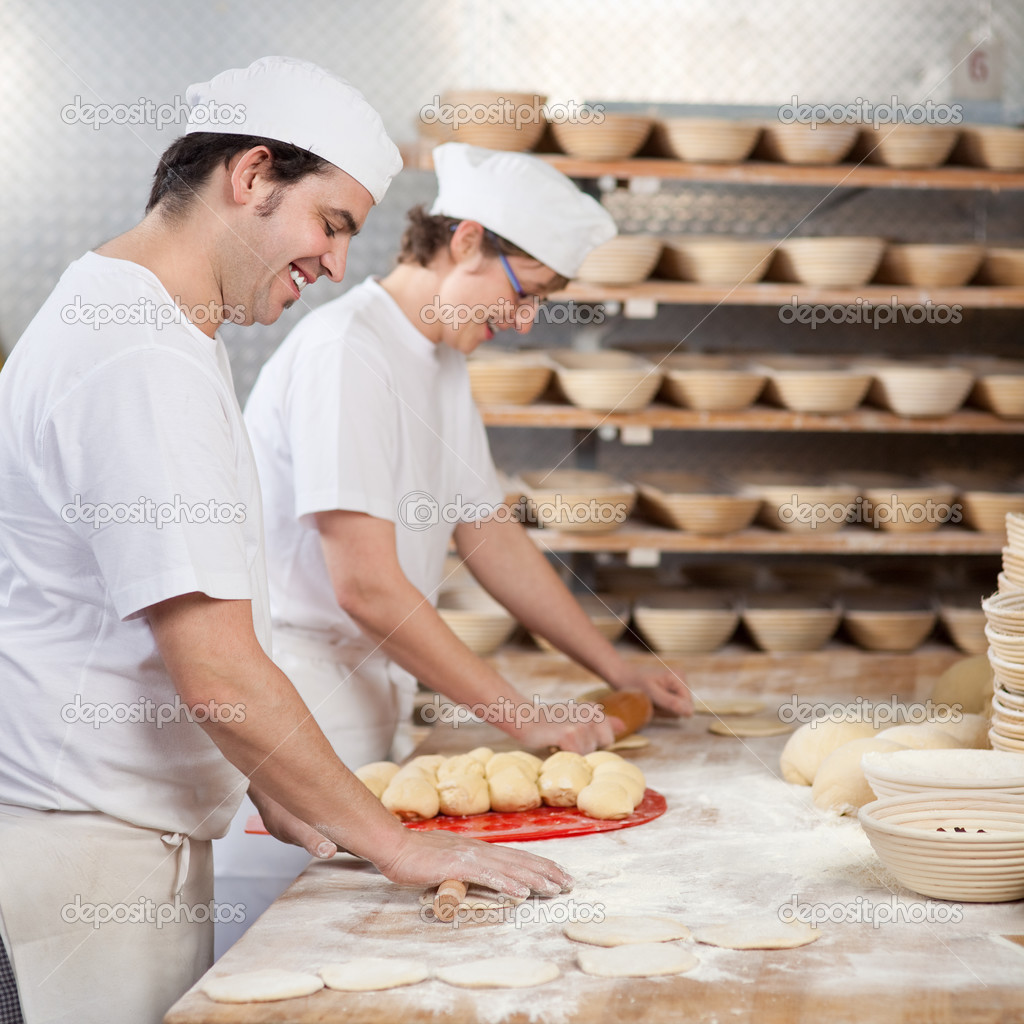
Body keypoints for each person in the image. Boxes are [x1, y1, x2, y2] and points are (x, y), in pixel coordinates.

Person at [0, 60, 574, 1024]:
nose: (337, 265)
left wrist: (266, 777)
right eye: (332, 224)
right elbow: (214, 666)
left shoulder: (146, 324)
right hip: (88, 843)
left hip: (120, 822)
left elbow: (162, 619)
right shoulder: (140, 354)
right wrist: (398, 844)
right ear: (253, 176)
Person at [228, 142, 693, 901]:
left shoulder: (437, 361)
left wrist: (614, 667)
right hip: (299, 714)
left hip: (368, 703)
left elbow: (487, 531)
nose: (522, 322)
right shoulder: (349, 352)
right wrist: (524, 719)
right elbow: (366, 588)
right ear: (467, 240)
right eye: (524, 293)